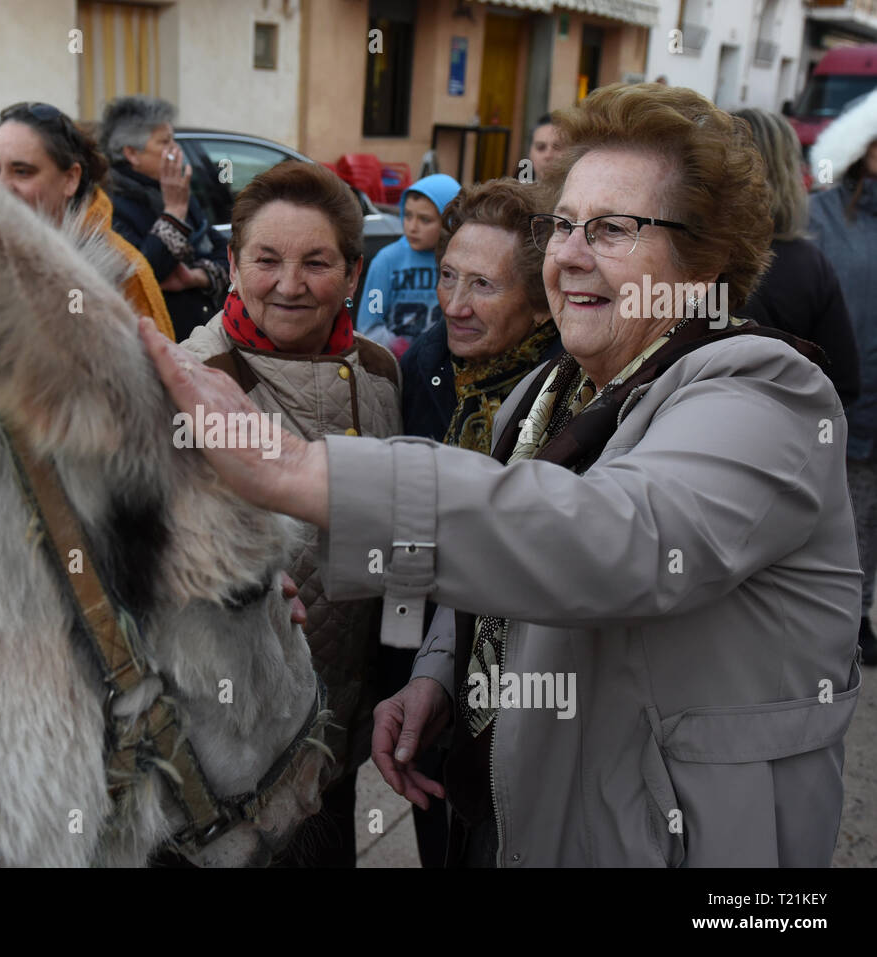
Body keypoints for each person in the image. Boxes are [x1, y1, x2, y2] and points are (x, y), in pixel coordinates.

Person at [137, 82, 860, 867]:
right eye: (563, 225)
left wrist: (306, 471)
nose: (570, 253)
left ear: (705, 256)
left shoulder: (766, 395)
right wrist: (440, 677)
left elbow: (614, 538)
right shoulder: (546, 394)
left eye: (613, 229)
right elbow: (510, 556)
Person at [178, 160, 401, 866]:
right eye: (266, 260)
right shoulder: (193, 383)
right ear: (232, 264)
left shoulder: (380, 371)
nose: (291, 284)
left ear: (354, 273)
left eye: (317, 262)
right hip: (230, 749)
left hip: (347, 720)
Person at [392, 178, 562, 866]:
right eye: (447, 278)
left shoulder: (567, 392)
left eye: (483, 286)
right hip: (424, 661)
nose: (455, 306)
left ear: (540, 300)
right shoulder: (427, 361)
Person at [0, 101, 174, 340]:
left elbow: (162, 371)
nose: (0, 187)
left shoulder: (124, 271)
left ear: (70, 179)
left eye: (22, 171)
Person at [809, 86, 877, 666]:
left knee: (871, 516)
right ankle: (838, 619)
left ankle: (860, 613)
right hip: (840, 399)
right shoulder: (823, 215)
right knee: (842, 515)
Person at [732, 109, 858, 407]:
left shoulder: (681, 254)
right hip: (777, 441)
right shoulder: (809, 264)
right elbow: (843, 384)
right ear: (786, 169)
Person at [99, 95, 229, 340]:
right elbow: (141, 276)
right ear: (132, 154)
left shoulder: (174, 189)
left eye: (174, 141)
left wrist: (197, 278)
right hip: (154, 345)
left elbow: (225, 251)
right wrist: (174, 213)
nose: (176, 151)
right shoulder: (110, 205)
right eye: (165, 143)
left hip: (203, 336)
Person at [355, 173, 460, 358]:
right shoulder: (385, 261)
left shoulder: (459, 262)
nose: (412, 227)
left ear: (450, 221)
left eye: (425, 220)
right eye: (408, 215)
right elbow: (369, 323)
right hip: (395, 364)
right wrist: (399, 349)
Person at [525, 113, 563, 182]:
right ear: (530, 153)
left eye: (557, 147)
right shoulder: (512, 192)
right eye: (540, 147)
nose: (548, 155)